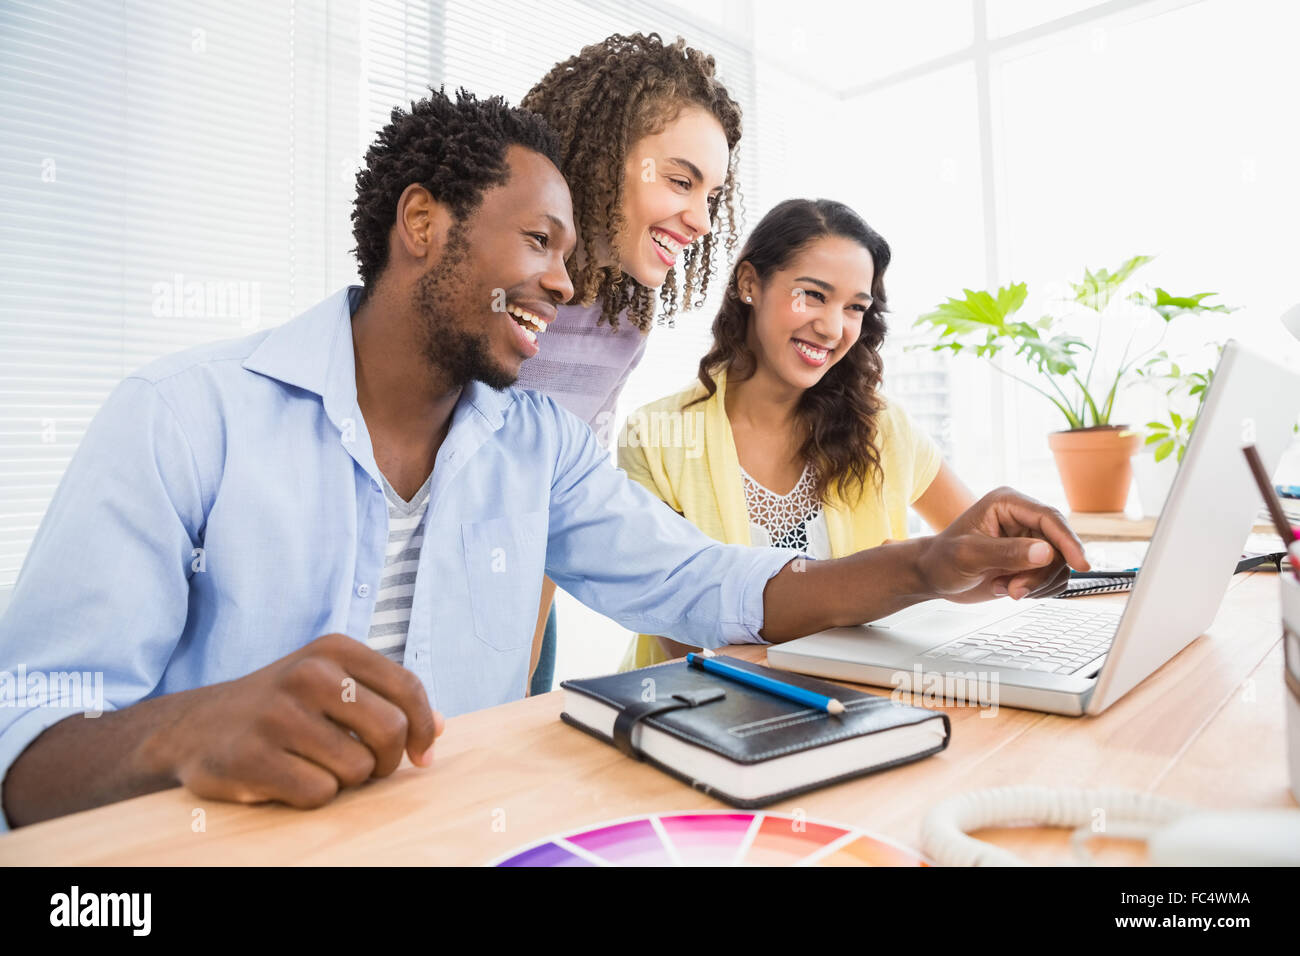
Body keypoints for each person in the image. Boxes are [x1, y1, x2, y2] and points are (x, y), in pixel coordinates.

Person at [0, 89, 1087, 831]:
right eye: (538, 242)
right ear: (420, 223)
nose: (566, 284)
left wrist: (931, 560)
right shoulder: (182, 415)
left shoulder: (539, 449)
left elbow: (711, 582)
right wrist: (188, 729)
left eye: (571, 252)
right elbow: (29, 749)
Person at [619, 199, 998, 667]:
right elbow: (681, 626)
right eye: (813, 295)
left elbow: (977, 555)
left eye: (855, 307)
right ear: (749, 284)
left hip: (860, 704)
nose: (832, 327)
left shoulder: (881, 427)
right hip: (708, 708)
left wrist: (1009, 559)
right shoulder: (657, 438)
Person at [515, 32, 742, 694]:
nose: (700, 218)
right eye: (679, 181)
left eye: (712, 196)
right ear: (600, 157)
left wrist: (515, 671)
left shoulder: (622, 322)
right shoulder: (498, 293)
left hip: (528, 600)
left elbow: (562, 499)